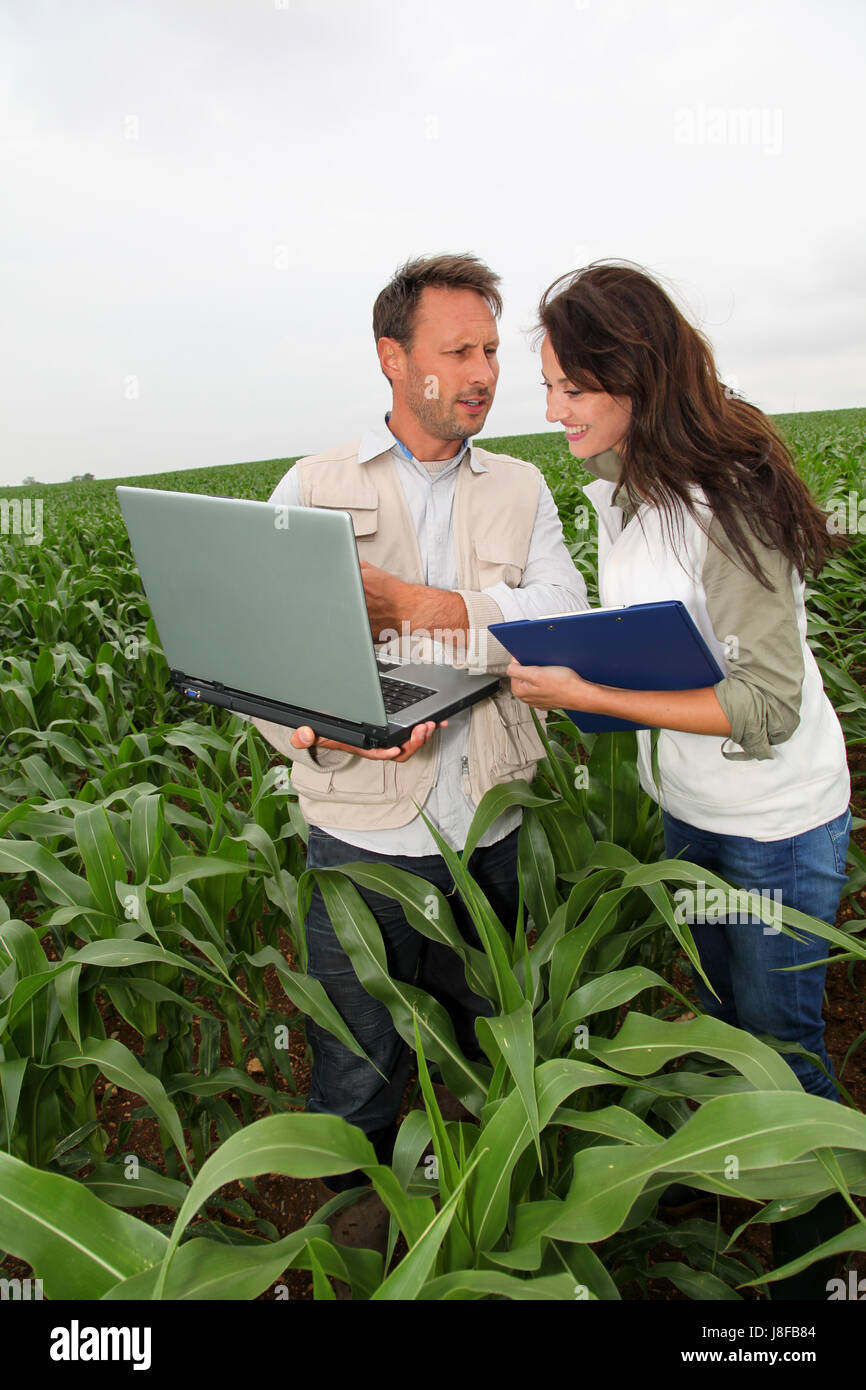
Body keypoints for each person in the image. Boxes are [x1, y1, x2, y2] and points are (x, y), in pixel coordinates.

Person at [507, 260, 852, 1295]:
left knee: (778, 1051)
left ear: (635, 378)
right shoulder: (623, 490)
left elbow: (765, 703)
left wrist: (596, 697)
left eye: (571, 386)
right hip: (688, 813)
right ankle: (745, 1194)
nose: (551, 407)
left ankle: (815, 1270)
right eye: (548, 383)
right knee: (724, 1039)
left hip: (772, 825)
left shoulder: (726, 496)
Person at [249, 253, 588, 1209]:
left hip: (491, 829)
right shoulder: (312, 486)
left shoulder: (522, 487)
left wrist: (421, 606)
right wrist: (315, 735)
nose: (484, 372)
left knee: (490, 1049)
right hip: (361, 839)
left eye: (490, 349)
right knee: (358, 1071)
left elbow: (560, 615)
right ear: (393, 358)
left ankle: (490, 1224)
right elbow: (252, 657)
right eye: (458, 350)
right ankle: (355, 1241)